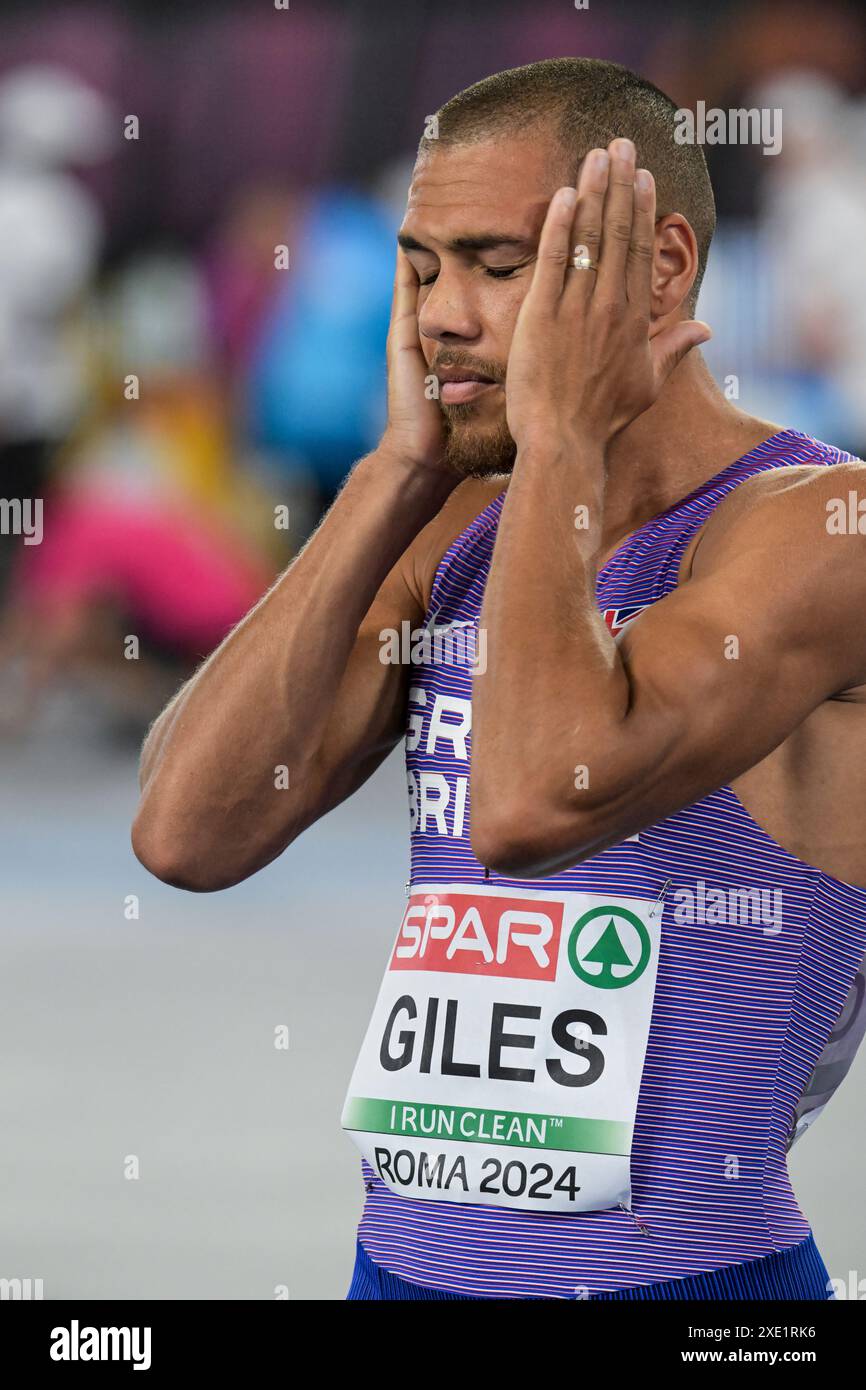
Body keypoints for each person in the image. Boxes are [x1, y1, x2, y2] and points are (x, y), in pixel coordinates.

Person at [131, 58, 866, 1301]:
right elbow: (186, 834)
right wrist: (389, 477)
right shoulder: (452, 524)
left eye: (496, 264)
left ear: (662, 268)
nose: (439, 316)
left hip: (688, 1292)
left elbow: (529, 806)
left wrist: (564, 437)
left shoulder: (817, 529)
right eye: (419, 268)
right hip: (397, 1275)